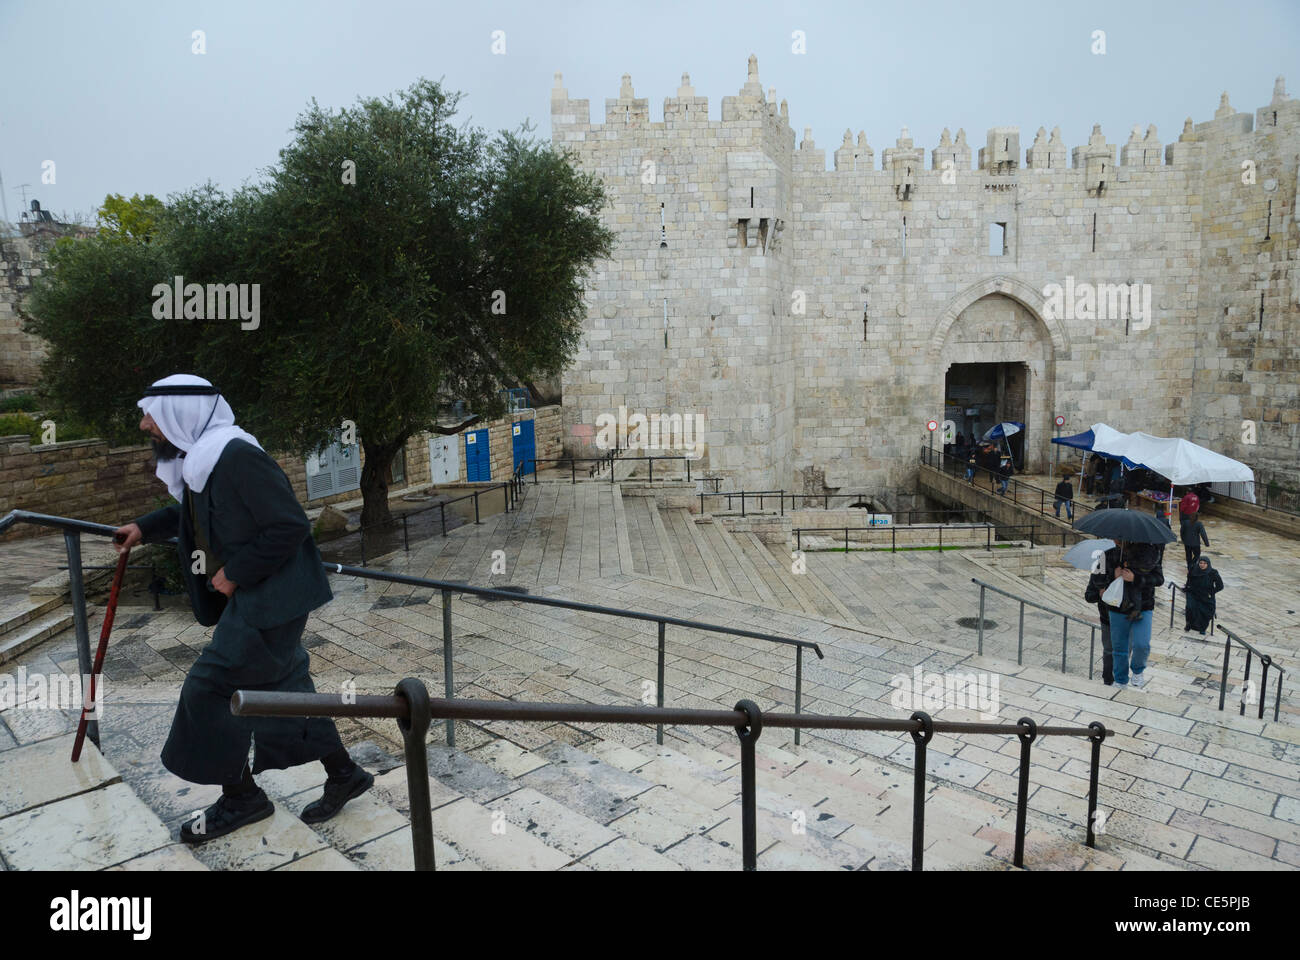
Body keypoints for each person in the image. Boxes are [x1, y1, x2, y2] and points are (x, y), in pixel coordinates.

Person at [113, 374, 373, 844]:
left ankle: (242, 797)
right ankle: (344, 773)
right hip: (265, 596)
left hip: (274, 596)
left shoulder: (236, 456)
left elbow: (289, 526)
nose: (143, 424)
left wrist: (233, 573)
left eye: (150, 413)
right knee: (287, 689)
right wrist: (141, 528)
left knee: (206, 689)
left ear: (180, 414)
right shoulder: (203, 458)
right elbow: (191, 515)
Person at [1099, 539, 1164, 689]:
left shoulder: (1151, 553)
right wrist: (1114, 578)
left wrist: (1135, 578)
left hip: (1143, 606)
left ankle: (1138, 671)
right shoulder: (1109, 555)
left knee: (1142, 644)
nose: (1115, 538)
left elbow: (1159, 579)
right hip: (1118, 605)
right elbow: (1098, 580)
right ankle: (1120, 680)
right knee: (1119, 647)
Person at [1084, 545, 1117, 684]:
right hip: (1107, 618)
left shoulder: (1140, 559)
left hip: (1129, 618)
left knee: (1124, 653)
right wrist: (1102, 593)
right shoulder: (1105, 559)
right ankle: (1108, 681)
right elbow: (1089, 595)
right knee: (1109, 651)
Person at [1183, 555, 1223, 635]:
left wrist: (1211, 592)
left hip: (1206, 595)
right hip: (1193, 593)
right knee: (1191, 608)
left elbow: (1220, 586)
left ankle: (1202, 628)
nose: (1202, 565)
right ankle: (1189, 624)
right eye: (1201, 563)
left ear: (1208, 564)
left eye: (1204, 563)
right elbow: (1189, 579)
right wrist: (1187, 587)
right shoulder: (1193, 569)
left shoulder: (1213, 572)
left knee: (1206, 611)